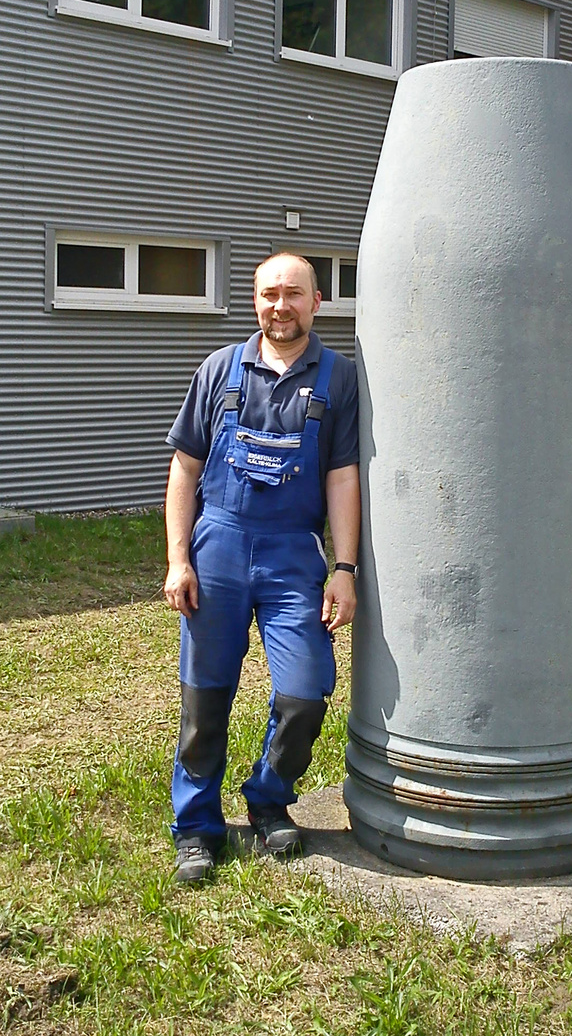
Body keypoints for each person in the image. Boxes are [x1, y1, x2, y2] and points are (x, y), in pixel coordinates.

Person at [163, 252, 360, 884]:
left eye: (294, 294)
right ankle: (196, 828)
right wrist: (177, 559)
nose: (281, 306)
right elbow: (185, 469)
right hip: (218, 542)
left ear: (316, 301)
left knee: (306, 690)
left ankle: (268, 797)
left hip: (291, 550)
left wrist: (344, 566)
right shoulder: (220, 370)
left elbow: (341, 476)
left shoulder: (338, 378)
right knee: (205, 695)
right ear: (255, 301)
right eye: (270, 294)